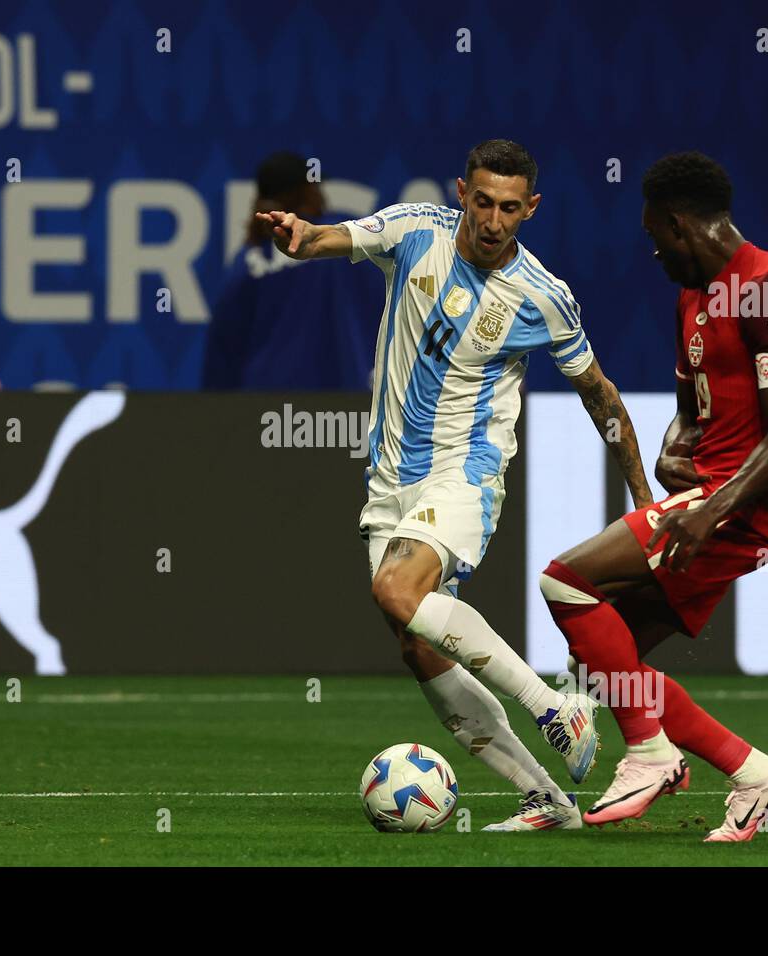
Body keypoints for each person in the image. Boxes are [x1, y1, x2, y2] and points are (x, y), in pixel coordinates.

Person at [259, 139, 654, 831]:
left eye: (509, 208)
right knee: (414, 641)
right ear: (460, 194)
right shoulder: (416, 231)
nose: (493, 221)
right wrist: (300, 235)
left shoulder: (543, 296)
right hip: (389, 479)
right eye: (481, 202)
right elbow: (332, 235)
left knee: (396, 591)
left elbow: (601, 395)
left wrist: (645, 501)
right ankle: (545, 799)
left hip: (464, 470)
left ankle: (553, 706)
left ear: (530, 208)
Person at [538, 152, 768, 842]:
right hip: (711, 497)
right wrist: (670, 445)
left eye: (654, 235)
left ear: (679, 224)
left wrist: (715, 509)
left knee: (566, 582)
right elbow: (692, 408)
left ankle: (650, 755)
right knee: (604, 659)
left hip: (742, 508)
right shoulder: (694, 294)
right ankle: (754, 775)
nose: (653, 251)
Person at [202, 151, 382, 389]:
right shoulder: (344, 238)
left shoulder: (247, 261)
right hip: (340, 402)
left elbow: (222, 353)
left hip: (265, 412)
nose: (323, 197)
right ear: (308, 192)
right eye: (318, 189)